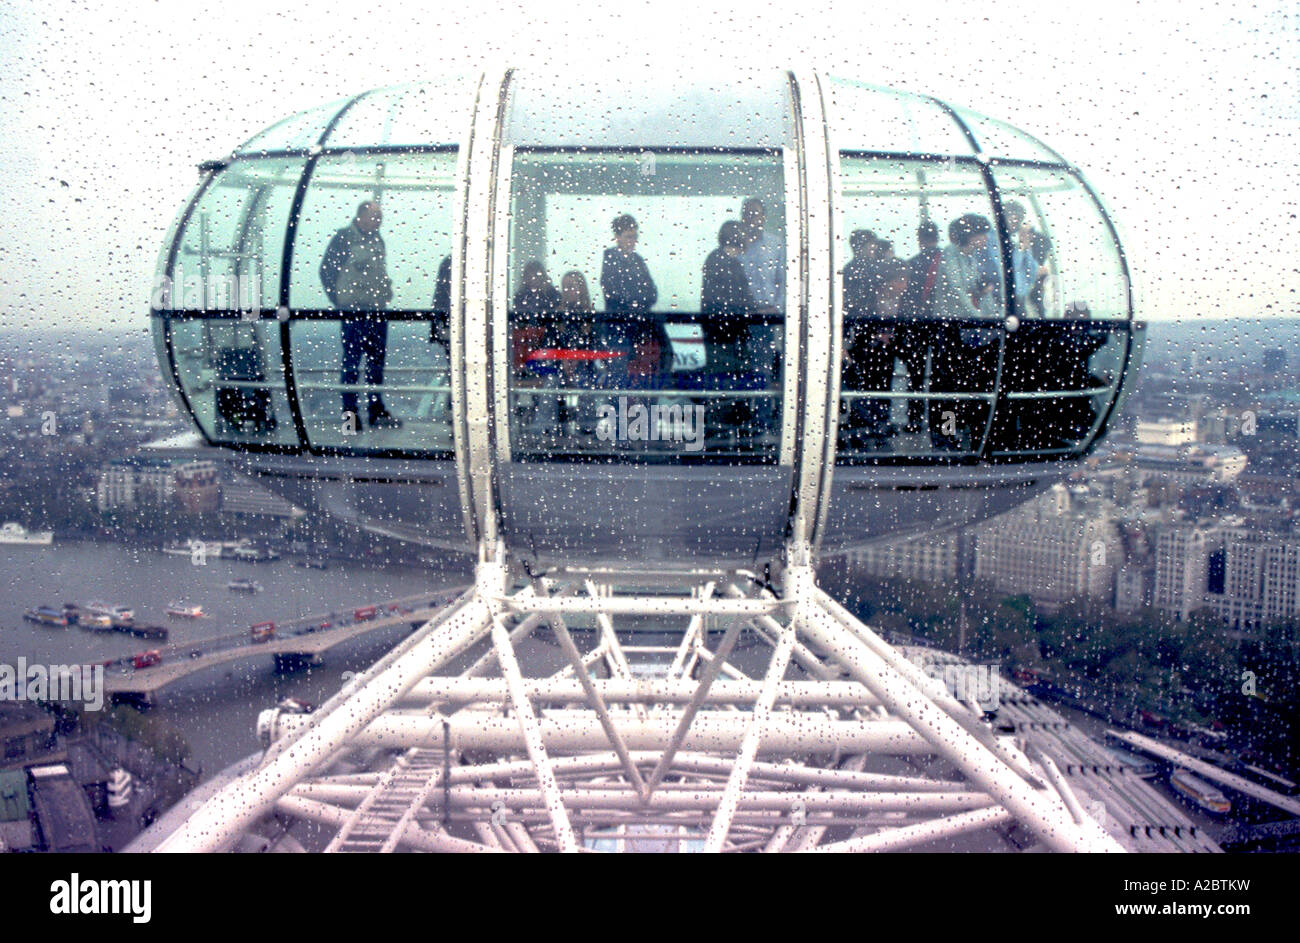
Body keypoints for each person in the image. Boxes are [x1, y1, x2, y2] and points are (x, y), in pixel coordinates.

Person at [319, 200, 400, 429]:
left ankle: (376, 412)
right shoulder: (344, 239)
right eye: (375, 217)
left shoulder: (377, 240)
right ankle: (350, 418)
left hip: (376, 312)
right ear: (360, 217)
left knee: (376, 363)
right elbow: (326, 271)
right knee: (352, 363)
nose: (378, 222)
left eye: (380, 218)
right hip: (354, 314)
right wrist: (341, 302)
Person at [929, 214, 1000, 450]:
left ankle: (958, 430)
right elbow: (957, 292)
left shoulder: (968, 257)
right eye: (981, 234)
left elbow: (970, 287)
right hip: (949, 329)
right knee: (947, 385)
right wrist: (981, 318)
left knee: (961, 383)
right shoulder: (950, 256)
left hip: (962, 329)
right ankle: (945, 435)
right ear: (969, 235)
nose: (985, 239)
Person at [701, 220, 757, 437]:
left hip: (729, 335)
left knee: (731, 382)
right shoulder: (721, 262)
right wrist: (750, 309)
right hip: (724, 336)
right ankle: (722, 432)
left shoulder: (725, 261)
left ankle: (729, 430)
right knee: (725, 382)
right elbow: (727, 301)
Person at [600, 214, 662, 387]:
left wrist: (635, 300)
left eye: (634, 237)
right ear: (617, 237)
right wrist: (637, 300)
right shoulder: (611, 258)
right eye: (629, 237)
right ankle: (615, 411)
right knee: (618, 374)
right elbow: (613, 292)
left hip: (638, 328)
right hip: (618, 328)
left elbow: (652, 293)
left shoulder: (638, 260)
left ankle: (638, 410)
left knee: (642, 374)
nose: (633, 241)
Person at [895, 221, 943, 433]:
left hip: (917, 326)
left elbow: (905, 300)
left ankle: (914, 421)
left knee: (915, 376)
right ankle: (945, 428)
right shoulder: (945, 261)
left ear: (920, 239)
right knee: (943, 380)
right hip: (943, 326)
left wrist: (900, 329)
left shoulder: (912, 264)